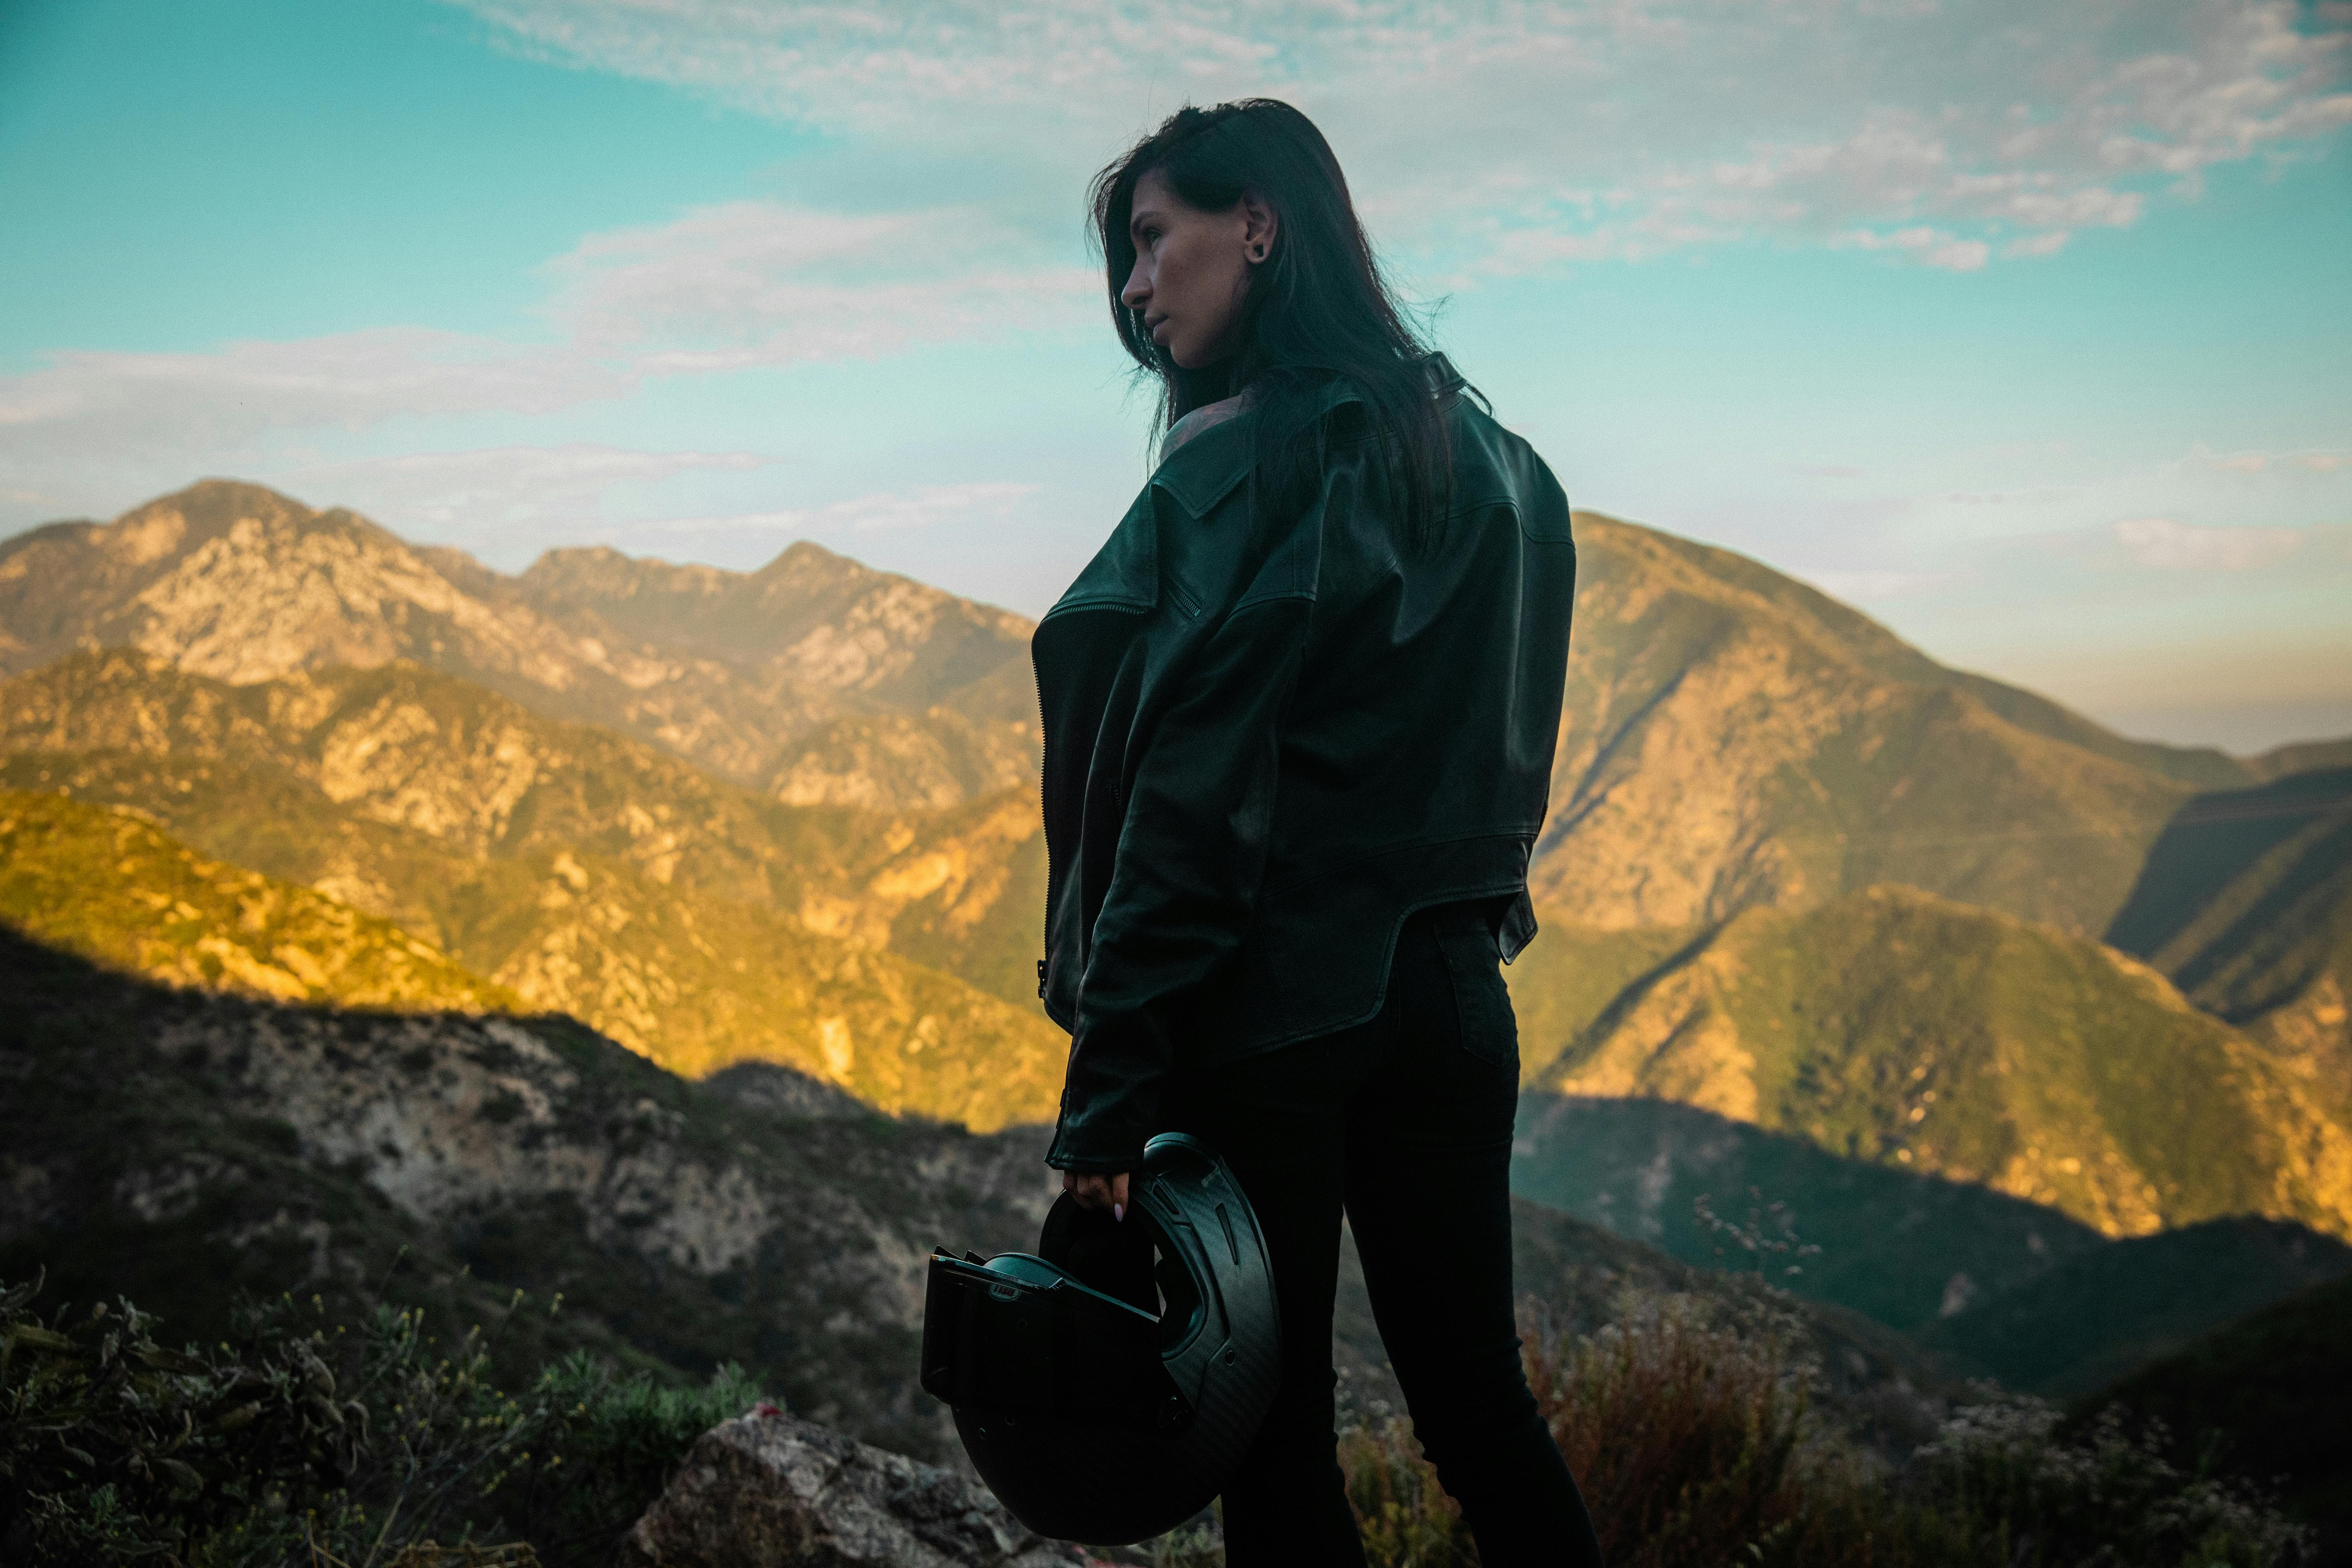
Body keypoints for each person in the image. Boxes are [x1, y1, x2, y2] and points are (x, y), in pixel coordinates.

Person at [1032, 98, 1603, 1567]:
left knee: (1270, 1445)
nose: (1134, 288)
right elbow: (1509, 741)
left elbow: (1189, 808)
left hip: (1278, 1015)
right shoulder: (1501, 465)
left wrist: (1107, 1096)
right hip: (1454, 997)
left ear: (1261, 228)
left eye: (1155, 240)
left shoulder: (1237, 474)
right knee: (1481, 1412)